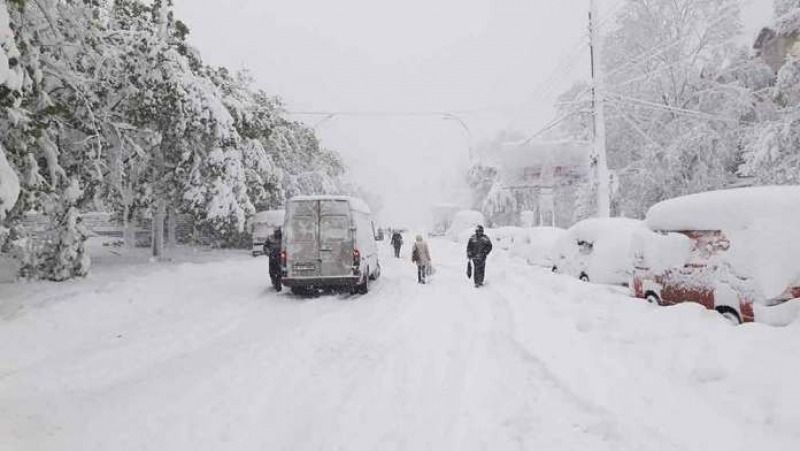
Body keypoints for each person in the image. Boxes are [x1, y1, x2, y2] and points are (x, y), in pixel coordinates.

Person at [264, 227, 283, 291]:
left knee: (280, 272)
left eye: (278, 230)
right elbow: (265, 247)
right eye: (276, 230)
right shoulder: (270, 238)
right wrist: (269, 253)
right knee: (271, 272)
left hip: (281, 257)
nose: (277, 232)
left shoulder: (284, 237)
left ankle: (278, 285)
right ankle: (274, 282)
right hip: (272, 257)